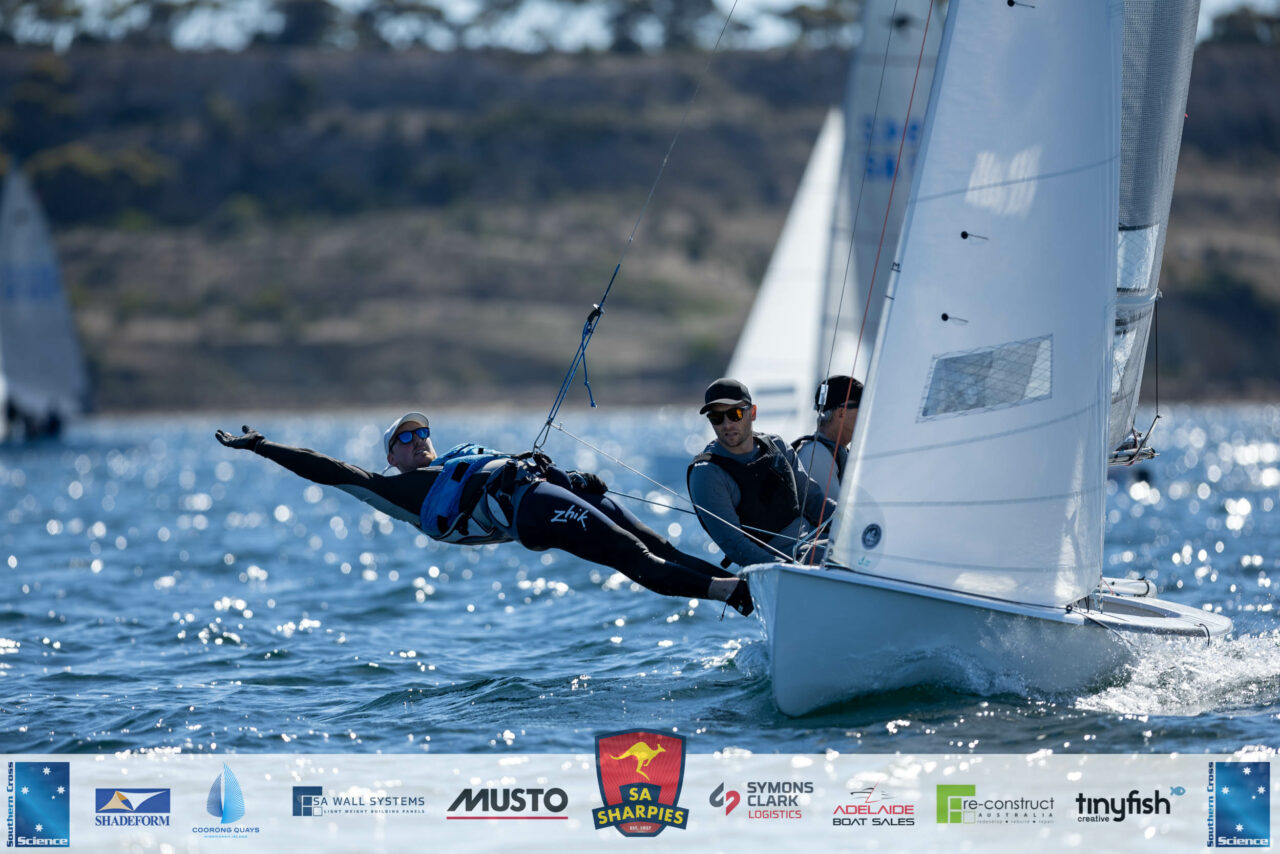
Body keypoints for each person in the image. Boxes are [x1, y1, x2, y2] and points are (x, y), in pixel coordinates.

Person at [215, 412, 753, 615]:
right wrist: (264, 446)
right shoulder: (398, 491)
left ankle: (740, 585)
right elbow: (327, 469)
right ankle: (735, 595)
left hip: (543, 494)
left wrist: (576, 481)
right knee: (636, 559)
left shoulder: (454, 462)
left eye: (422, 431)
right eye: (405, 437)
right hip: (530, 512)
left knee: (656, 544)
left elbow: (520, 471)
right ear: (391, 456)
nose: (418, 439)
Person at [686, 378, 837, 567]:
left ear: (753, 413)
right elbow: (735, 545)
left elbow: (814, 500)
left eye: (735, 414)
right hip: (780, 567)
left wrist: (855, 523)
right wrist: (790, 569)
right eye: (716, 417)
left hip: (815, 544)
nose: (726, 424)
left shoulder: (777, 445)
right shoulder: (707, 474)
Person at [792, 374, 862, 493]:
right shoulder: (815, 454)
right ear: (841, 413)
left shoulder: (833, 453)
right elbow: (834, 511)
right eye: (862, 407)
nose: (867, 414)